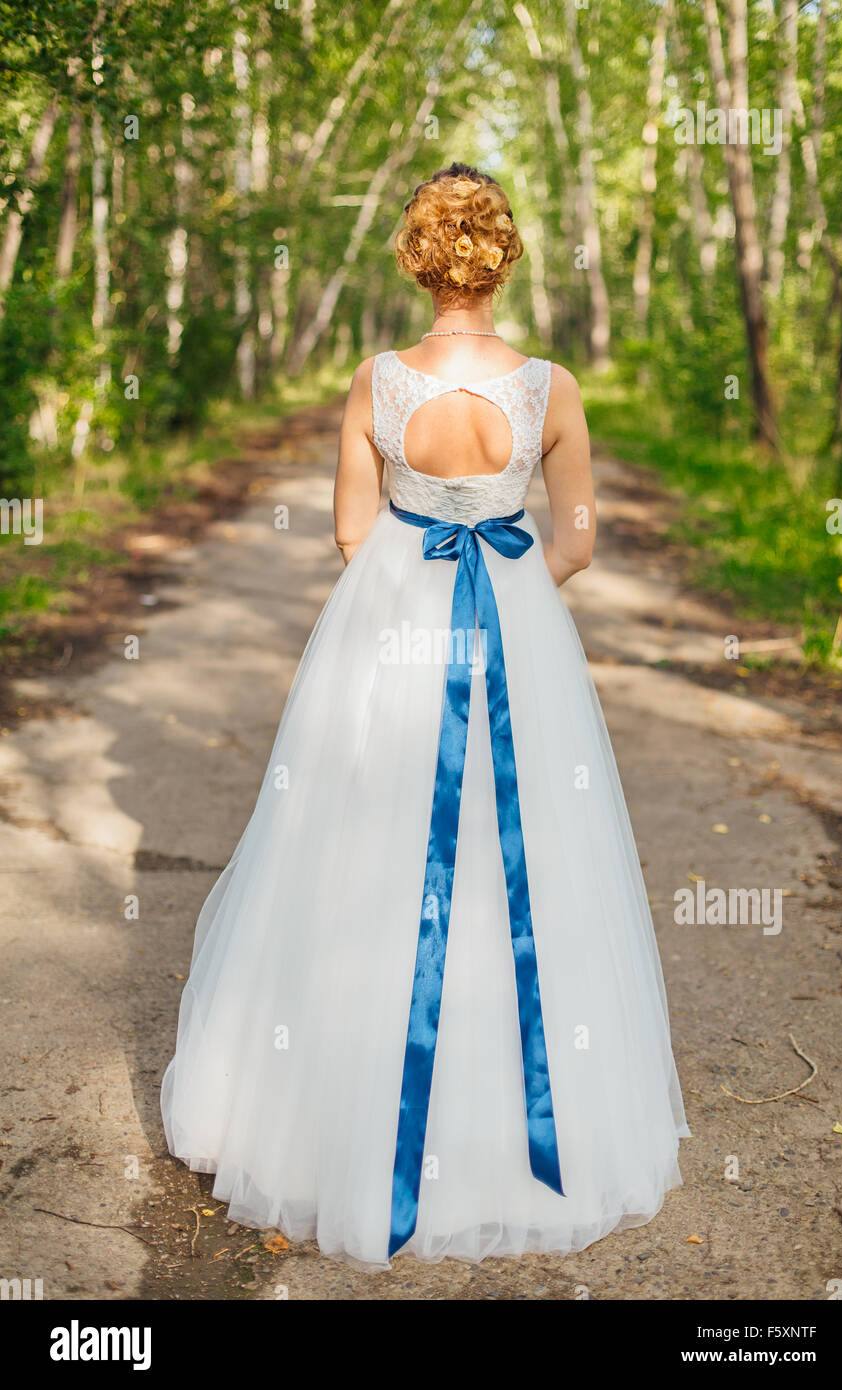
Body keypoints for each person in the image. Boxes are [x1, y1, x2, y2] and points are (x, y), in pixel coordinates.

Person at [161, 161, 689, 1270]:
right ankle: (521, 1134)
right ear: (502, 258)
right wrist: (516, 599)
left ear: (416, 258)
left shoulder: (377, 382)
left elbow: (351, 534)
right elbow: (579, 537)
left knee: (367, 843)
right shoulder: (550, 388)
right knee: (525, 852)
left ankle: (330, 1130)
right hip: (514, 632)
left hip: (394, 629)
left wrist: (410, 587)